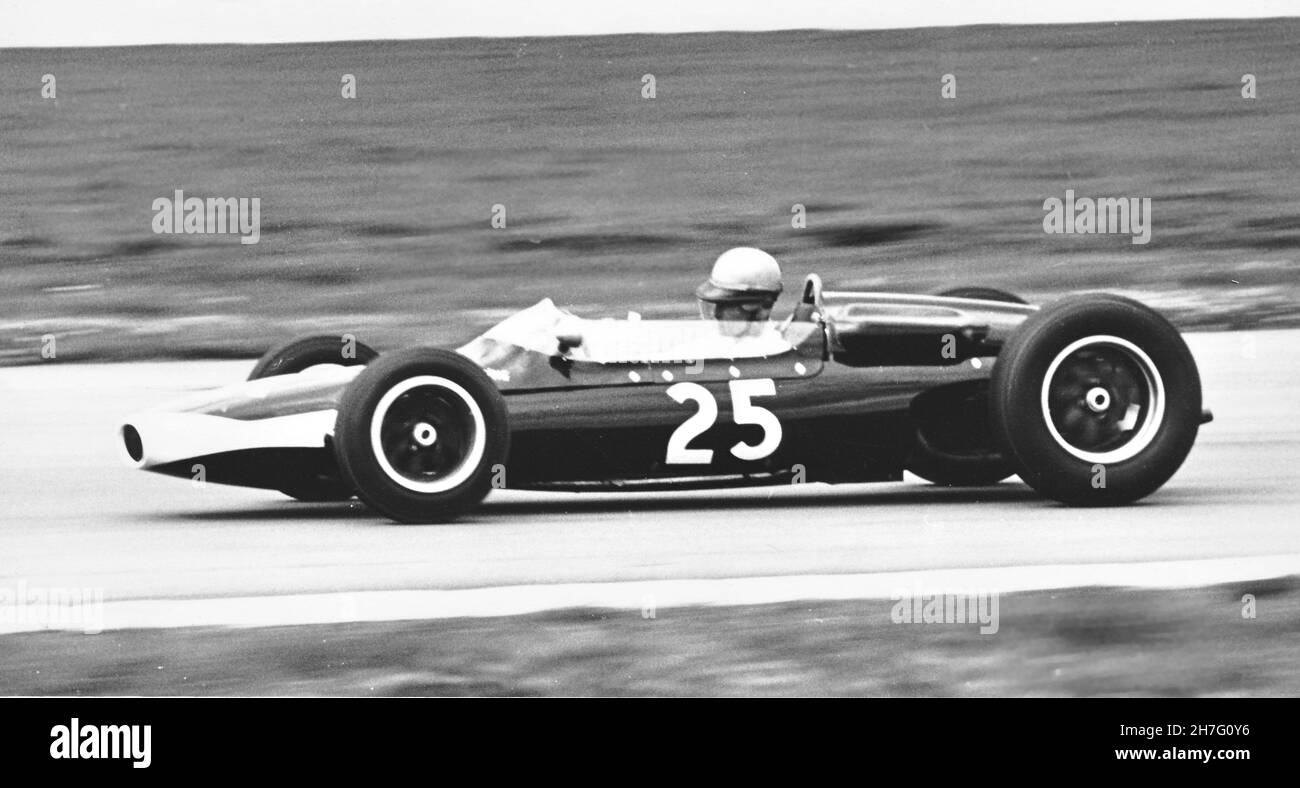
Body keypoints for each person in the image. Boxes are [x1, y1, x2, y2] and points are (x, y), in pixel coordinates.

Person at [695, 247, 784, 338]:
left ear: (760, 307)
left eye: (726, 306)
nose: (716, 314)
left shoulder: (776, 347)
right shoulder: (711, 342)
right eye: (716, 305)